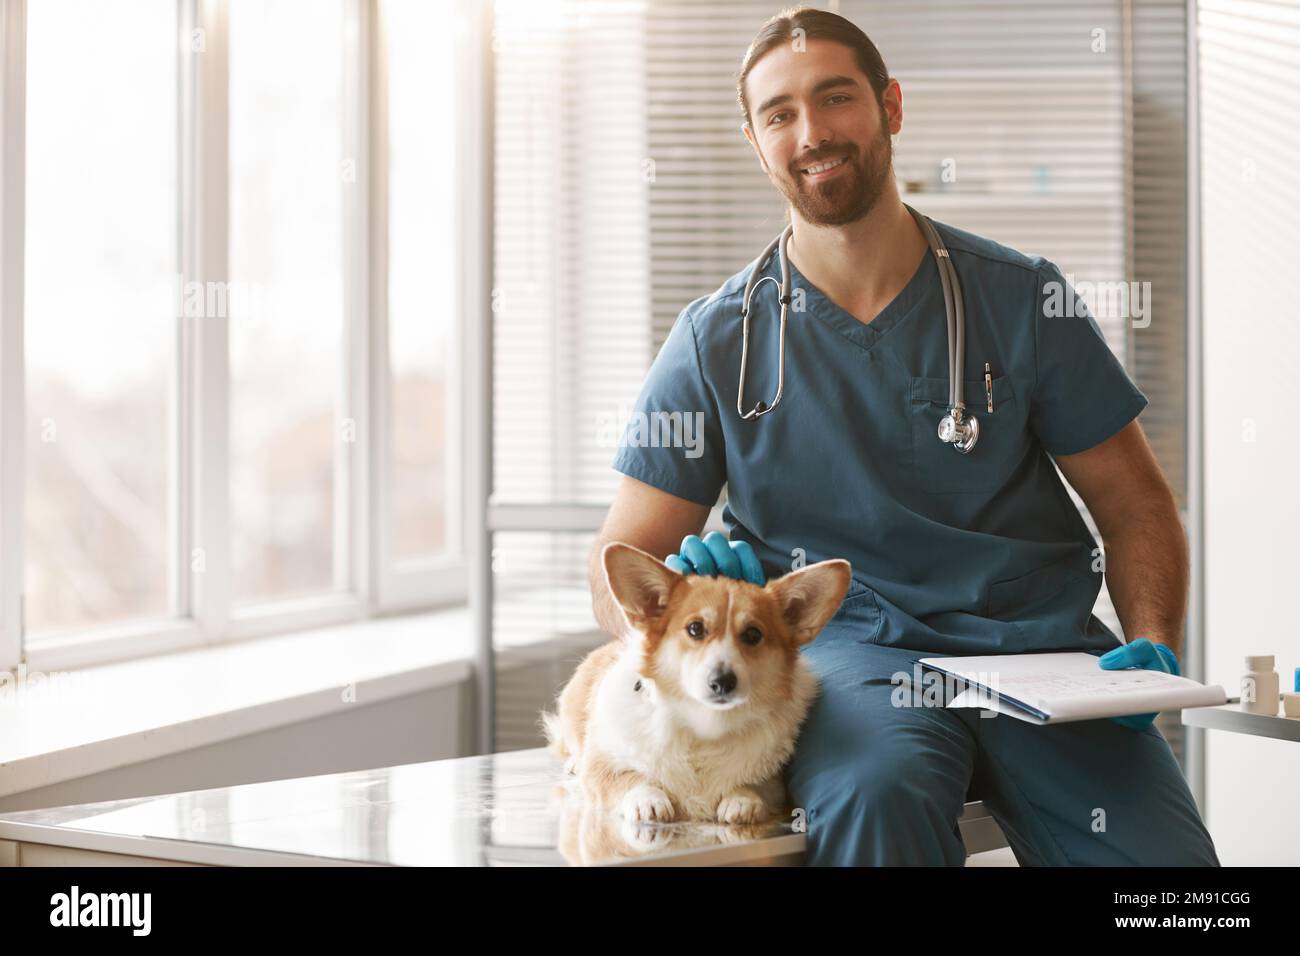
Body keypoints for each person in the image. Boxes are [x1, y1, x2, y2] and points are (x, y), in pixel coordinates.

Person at [588, 5, 1218, 866]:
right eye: (779, 114)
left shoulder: (1023, 299)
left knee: (1171, 878)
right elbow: (622, 564)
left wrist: (1154, 646)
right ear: (755, 140)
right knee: (876, 804)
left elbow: (1135, 503)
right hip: (856, 662)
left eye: (835, 97)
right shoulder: (716, 341)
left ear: (890, 105)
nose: (812, 132)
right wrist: (682, 598)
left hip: (1040, 652)